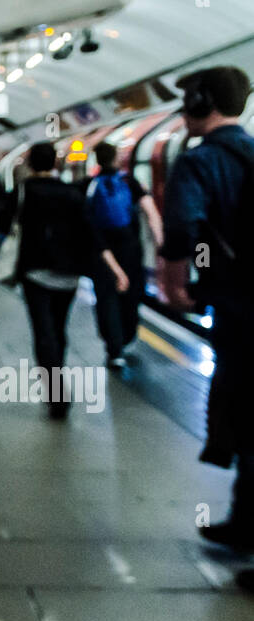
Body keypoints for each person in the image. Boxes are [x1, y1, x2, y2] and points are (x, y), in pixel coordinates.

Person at [158, 66, 254, 558]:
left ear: (202, 100)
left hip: (240, 306)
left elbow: (183, 229)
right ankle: (243, 519)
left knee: (245, 408)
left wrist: (179, 282)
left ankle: (247, 525)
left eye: (187, 99)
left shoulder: (200, 161)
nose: (181, 109)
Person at [15, 141, 129, 419]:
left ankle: (56, 394)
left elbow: (0, 223)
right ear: (56, 163)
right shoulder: (72, 193)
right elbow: (92, 234)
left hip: (35, 272)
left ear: (30, 164)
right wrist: (116, 268)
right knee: (58, 329)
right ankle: (58, 380)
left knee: (43, 333)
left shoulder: (22, 192)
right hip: (68, 274)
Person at [85, 141, 164, 370]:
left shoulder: (89, 185)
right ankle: (126, 337)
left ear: (97, 160)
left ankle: (114, 348)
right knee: (130, 297)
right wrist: (161, 246)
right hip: (130, 251)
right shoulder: (130, 183)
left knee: (106, 299)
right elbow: (151, 214)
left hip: (101, 254)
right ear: (116, 158)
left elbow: (84, 223)